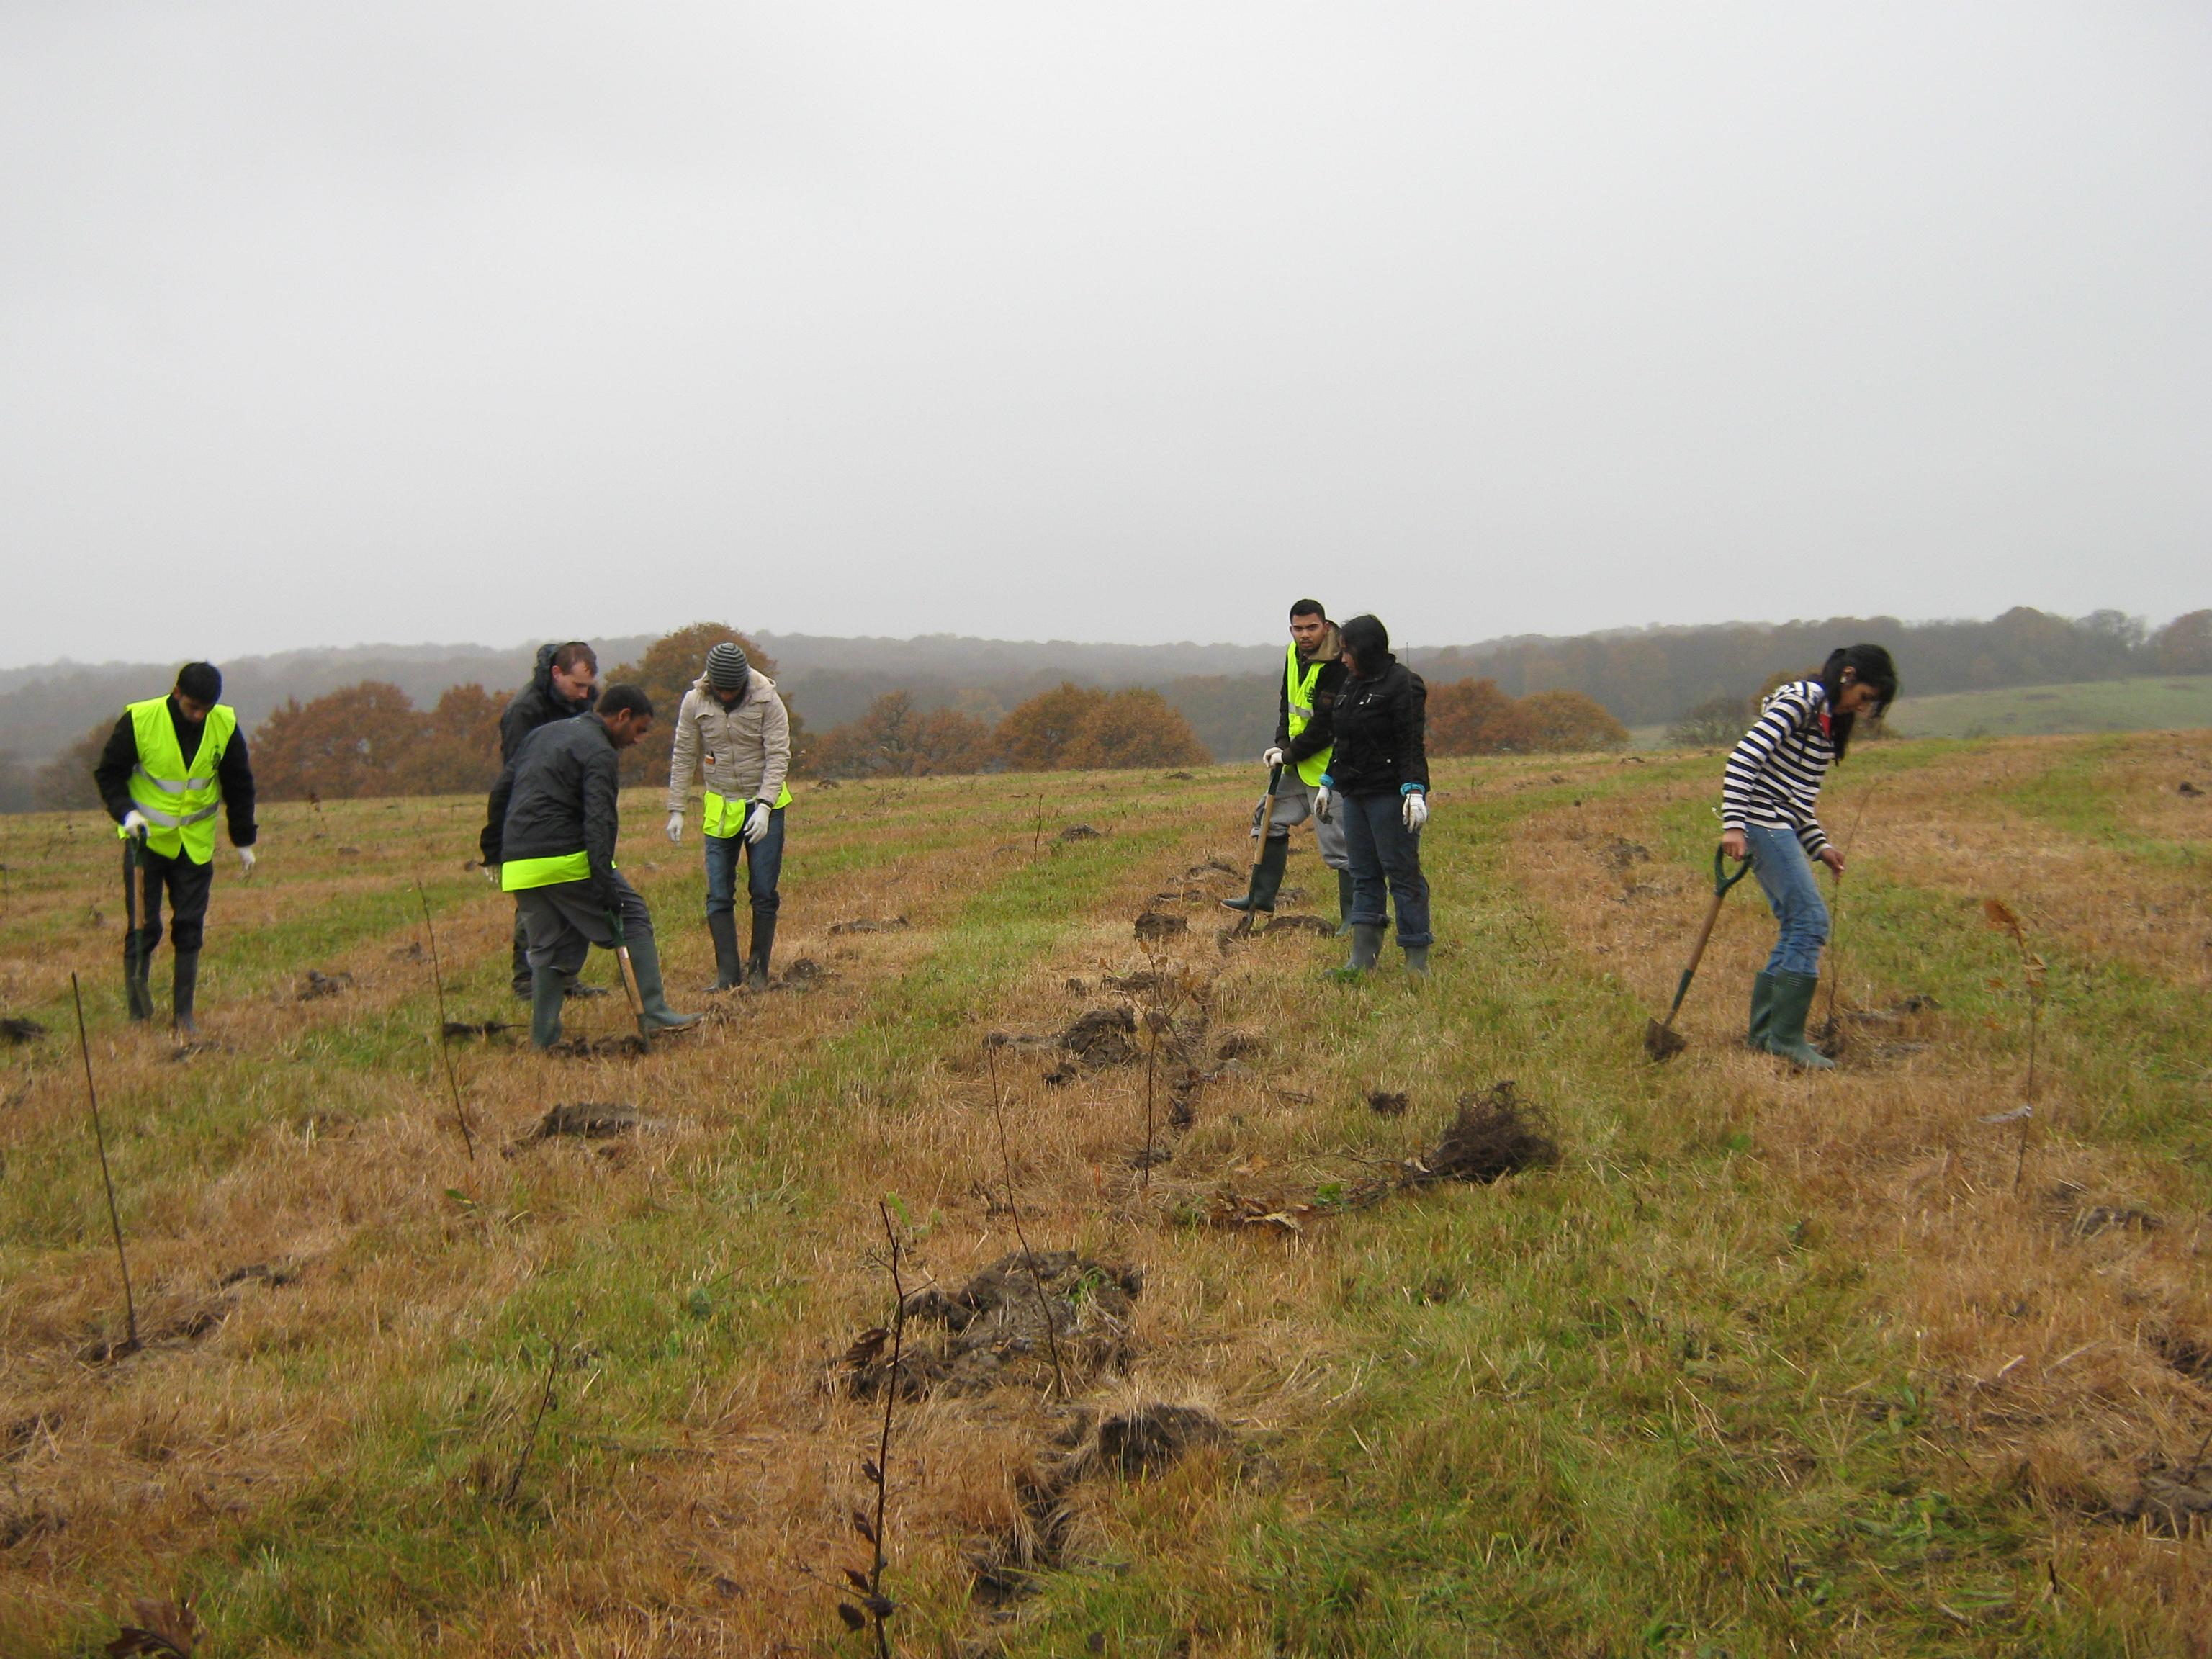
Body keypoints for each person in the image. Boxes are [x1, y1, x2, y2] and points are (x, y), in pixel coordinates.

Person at [482, 683, 698, 1050]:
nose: (639, 740)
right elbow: (600, 821)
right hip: (565, 859)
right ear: (622, 716)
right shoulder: (599, 752)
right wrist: (604, 883)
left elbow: (502, 790)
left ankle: (544, 1038)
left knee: (548, 949)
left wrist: (493, 851)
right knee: (632, 916)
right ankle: (656, 1012)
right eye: (640, 730)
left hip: (519, 863)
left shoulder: (542, 735)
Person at [1720, 644, 1899, 1069]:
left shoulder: (1826, 724)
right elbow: (1744, 758)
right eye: (1865, 696)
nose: (1863, 707)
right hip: (1761, 823)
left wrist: (1820, 846)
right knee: (1811, 922)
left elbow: (1798, 801)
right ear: (1848, 675)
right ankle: (1786, 1039)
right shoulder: (1802, 699)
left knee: (1796, 924)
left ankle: (1765, 1036)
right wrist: (1733, 824)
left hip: (1777, 822)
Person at [91, 662, 258, 1033]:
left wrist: (244, 840)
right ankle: (139, 1013)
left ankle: (184, 1015)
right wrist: (126, 814)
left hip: (194, 846)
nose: (199, 716)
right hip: (144, 844)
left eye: (206, 709)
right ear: (177, 693)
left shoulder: (224, 725)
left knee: (189, 926)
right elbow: (108, 774)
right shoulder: (139, 720)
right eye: (193, 707)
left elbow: (239, 783)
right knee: (143, 927)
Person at [664, 642, 793, 990]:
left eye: (732, 689)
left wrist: (765, 805)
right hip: (720, 807)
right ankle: (726, 975)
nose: (726, 695)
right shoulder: (695, 702)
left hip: (764, 808)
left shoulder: (768, 700)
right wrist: (677, 808)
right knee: (719, 894)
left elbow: (778, 754)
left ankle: (758, 974)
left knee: (763, 891)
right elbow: (684, 753)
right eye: (720, 689)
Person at [1223, 599, 1356, 931]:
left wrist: (1291, 753)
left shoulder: (1338, 663)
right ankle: (1260, 897)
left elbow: (1327, 727)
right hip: (1297, 765)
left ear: (1325, 626)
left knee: (1340, 848)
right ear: (1291, 629)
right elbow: (1288, 703)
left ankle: (1355, 919)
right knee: (1267, 819)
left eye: (1312, 627)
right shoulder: (1292, 654)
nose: (1305, 635)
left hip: (1330, 770)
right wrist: (1282, 744)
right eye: (1298, 629)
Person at [1315, 615, 1431, 975]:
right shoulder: (1351, 685)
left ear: (1364, 649)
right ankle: (1361, 960)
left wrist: (1414, 791)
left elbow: (1411, 743)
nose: (1342, 658)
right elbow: (1342, 739)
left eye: (1346, 650)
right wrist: (1327, 781)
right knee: (1363, 873)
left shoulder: (1404, 685)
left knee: (1402, 873)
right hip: (1355, 794)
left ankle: (1416, 961)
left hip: (1389, 795)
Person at [491, 642, 601, 1000]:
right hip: (534, 817)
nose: (586, 695)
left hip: (574, 810)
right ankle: (527, 982)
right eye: (578, 687)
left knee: (577, 891)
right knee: (536, 903)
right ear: (557, 674)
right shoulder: (524, 711)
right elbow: (516, 773)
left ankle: (567, 978)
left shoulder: (581, 700)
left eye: (588, 688)